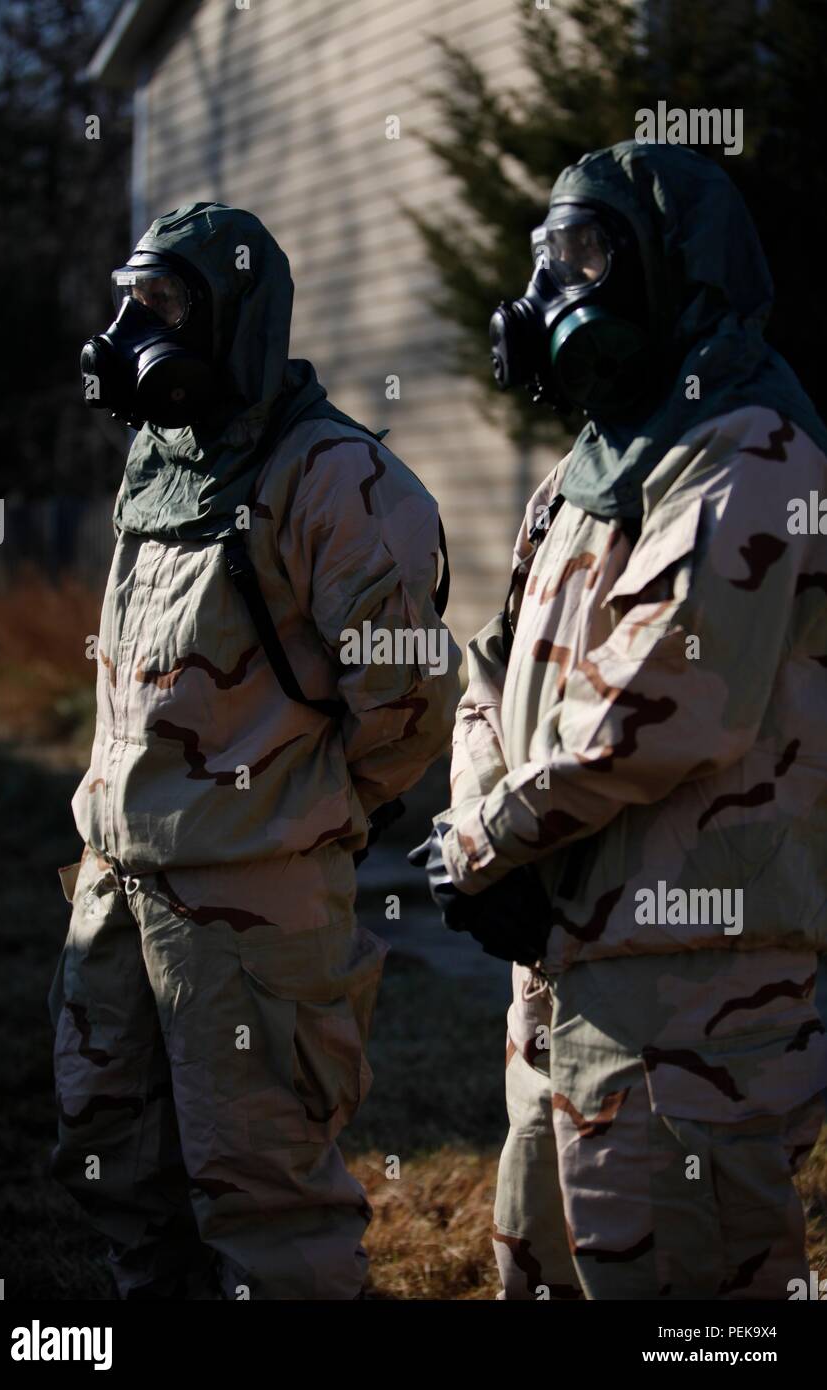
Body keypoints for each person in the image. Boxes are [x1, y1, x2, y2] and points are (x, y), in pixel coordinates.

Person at [413, 141, 827, 1300]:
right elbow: (489, 673)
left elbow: (659, 707)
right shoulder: (576, 477)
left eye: (586, 256)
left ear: (674, 275)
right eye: (545, 258)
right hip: (558, 961)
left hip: (693, 985)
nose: (552, 292)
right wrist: (475, 833)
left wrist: (483, 840)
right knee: (540, 1266)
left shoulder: (750, 452)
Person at [49, 201, 461, 1300]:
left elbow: (408, 702)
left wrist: (291, 817)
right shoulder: (161, 460)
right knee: (122, 1170)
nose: (139, 329)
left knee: (265, 1201)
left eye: (169, 305)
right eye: (132, 302)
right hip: (117, 888)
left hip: (251, 910)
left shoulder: (336, 479)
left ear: (238, 317)